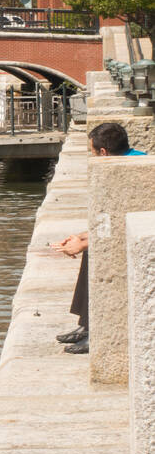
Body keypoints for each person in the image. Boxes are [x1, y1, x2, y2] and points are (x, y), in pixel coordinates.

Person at [50, 122, 146, 354]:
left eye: (91, 152)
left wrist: (82, 244)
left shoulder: (128, 172)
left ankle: (98, 332)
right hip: (134, 234)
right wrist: (81, 238)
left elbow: (124, 224)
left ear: (103, 152)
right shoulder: (131, 160)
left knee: (93, 251)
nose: (91, 158)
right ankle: (87, 325)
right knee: (90, 250)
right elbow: (115, 218)